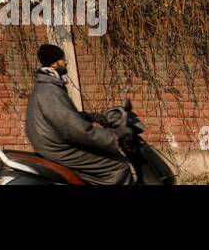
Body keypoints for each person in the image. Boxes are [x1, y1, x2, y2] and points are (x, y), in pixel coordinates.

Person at [25, 43, 132, 185]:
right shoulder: (50, 91)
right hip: (58, 148)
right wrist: (113, 137)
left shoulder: (46, 86)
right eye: (63, 59)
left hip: (52, 143)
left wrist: (90, 116)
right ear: (55, 63)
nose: (66, 62)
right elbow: (74, 128)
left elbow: (63, 117)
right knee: (117, 165)